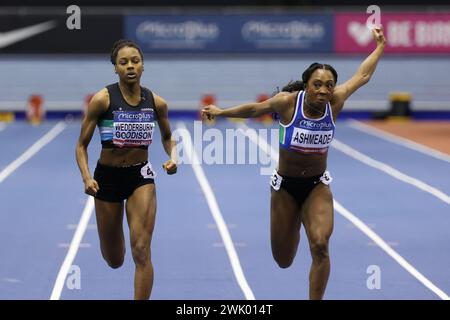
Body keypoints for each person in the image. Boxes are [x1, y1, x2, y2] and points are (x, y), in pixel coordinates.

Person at [202, 27, 386, 299]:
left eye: (328, 85)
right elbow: (254, 110)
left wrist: (380, 46)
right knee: (283, 259)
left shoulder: (336, 102)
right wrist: (220, 111)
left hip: (316, 186)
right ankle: (296, 220)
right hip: (285, 188)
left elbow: (363, 75)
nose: (324, 91)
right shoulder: (287, 103)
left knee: (321, 245)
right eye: (317, 85)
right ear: (306, 85)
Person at [75, 39, 177, 300]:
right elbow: (81, 146)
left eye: (135, 61)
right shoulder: (102, 100)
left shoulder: (157, 103)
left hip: (139, 176)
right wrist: (87, 178)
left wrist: (173, 156)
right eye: (124, 62)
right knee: (115, 259)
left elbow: (167, 137)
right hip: (106, 179)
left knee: (141, 250)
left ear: (143, 66)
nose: (130, 66)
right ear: (116, 69)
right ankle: (114, 246)